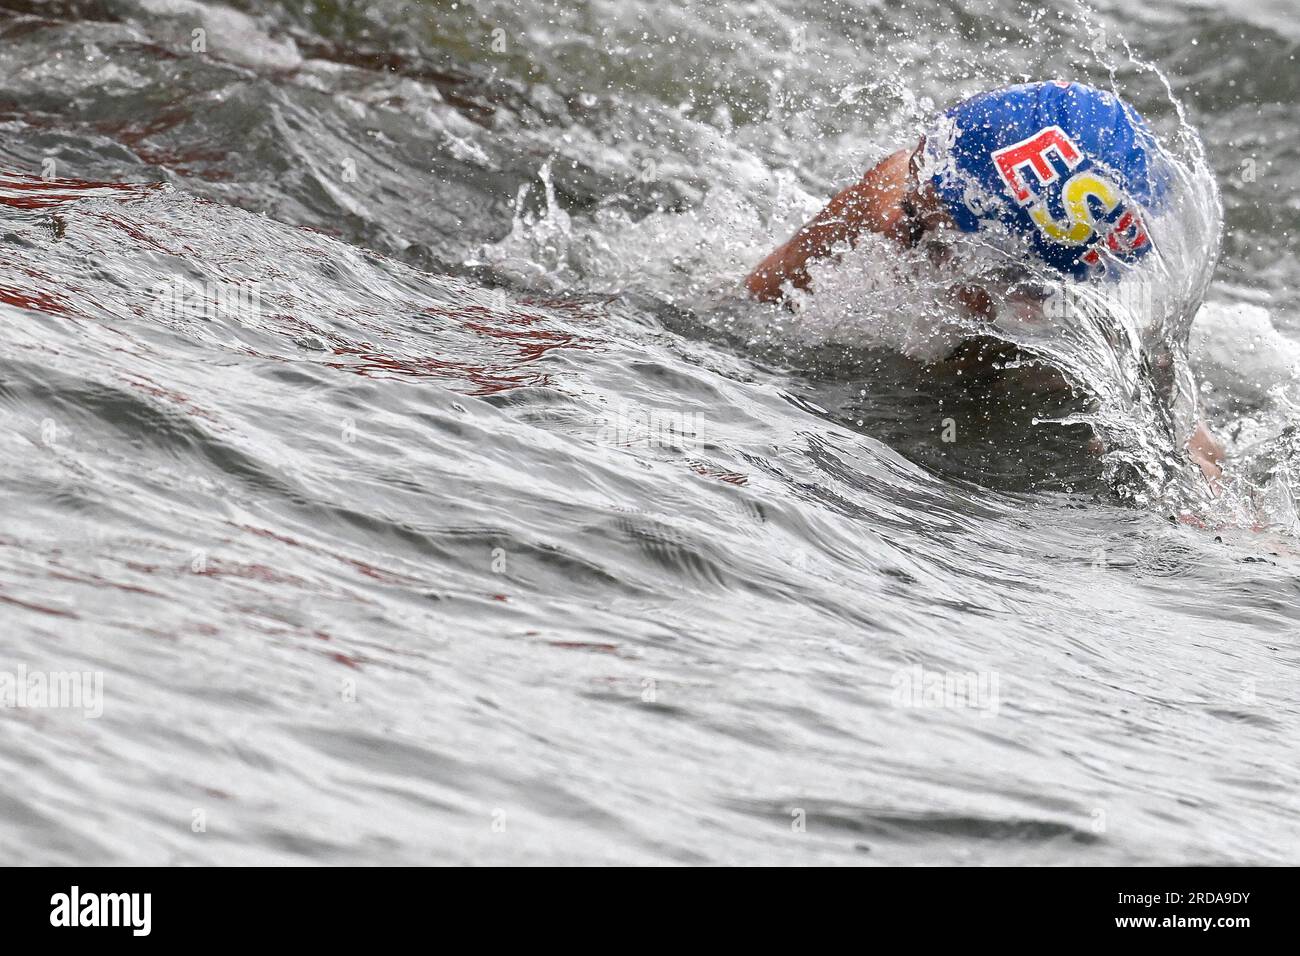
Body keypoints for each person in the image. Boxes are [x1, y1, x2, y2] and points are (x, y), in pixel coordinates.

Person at [745, 80, 1223, 484]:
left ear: (1021, 293)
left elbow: (1199, 466)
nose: (897, 226)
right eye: (919, 165)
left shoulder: (1094, 370)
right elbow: (749, 302)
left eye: (922, 230)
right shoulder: (889, 196)